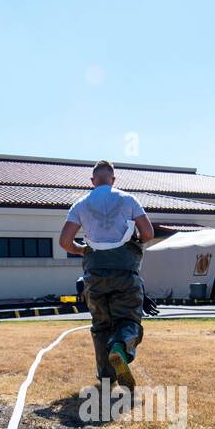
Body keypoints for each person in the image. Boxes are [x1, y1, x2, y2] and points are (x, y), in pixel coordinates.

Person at [59, 160, 154, 390]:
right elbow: (148, 233)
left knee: (101, 325)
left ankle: (106, 378)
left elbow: (65, 242)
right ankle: (120, 346)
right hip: (125, 273)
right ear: (113, 179)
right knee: (129, 320)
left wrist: (82, 249)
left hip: (94, 276)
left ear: (93, 181)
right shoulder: (128, 200)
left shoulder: (80, 204)